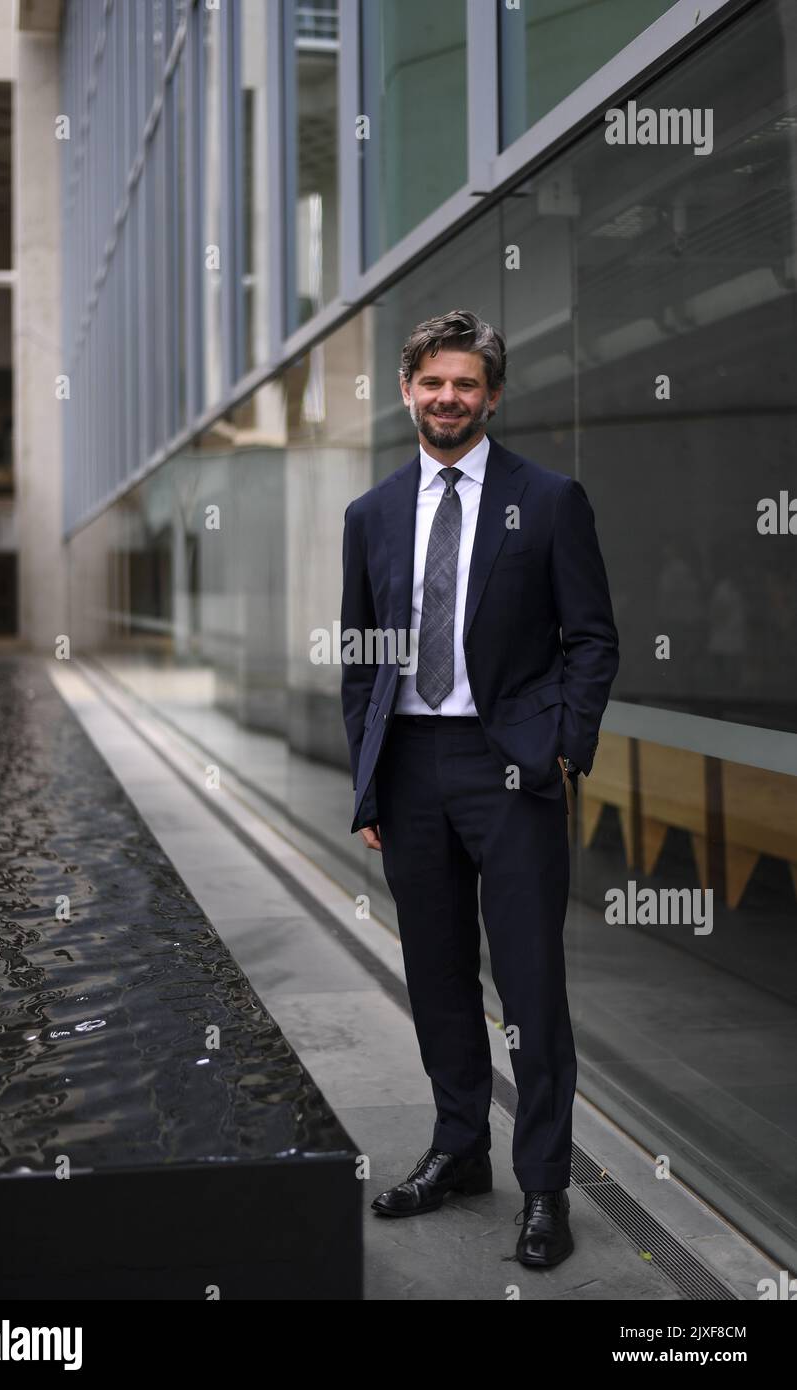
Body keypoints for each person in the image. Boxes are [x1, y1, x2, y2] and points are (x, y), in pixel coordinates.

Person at [340, 308, 619, 1268]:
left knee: (532, 987)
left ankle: (545, 1188)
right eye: (433, 382)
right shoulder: (371, 515)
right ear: (407, 390)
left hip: (512, 772)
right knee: (439, 977)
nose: (448, 398)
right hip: (412, 769)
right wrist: (369, 778)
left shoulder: (547, 501)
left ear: (491, 395)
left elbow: (593, 638)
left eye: (467, 384)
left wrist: (564, 748)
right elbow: (361, 657)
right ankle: (460, 1150)